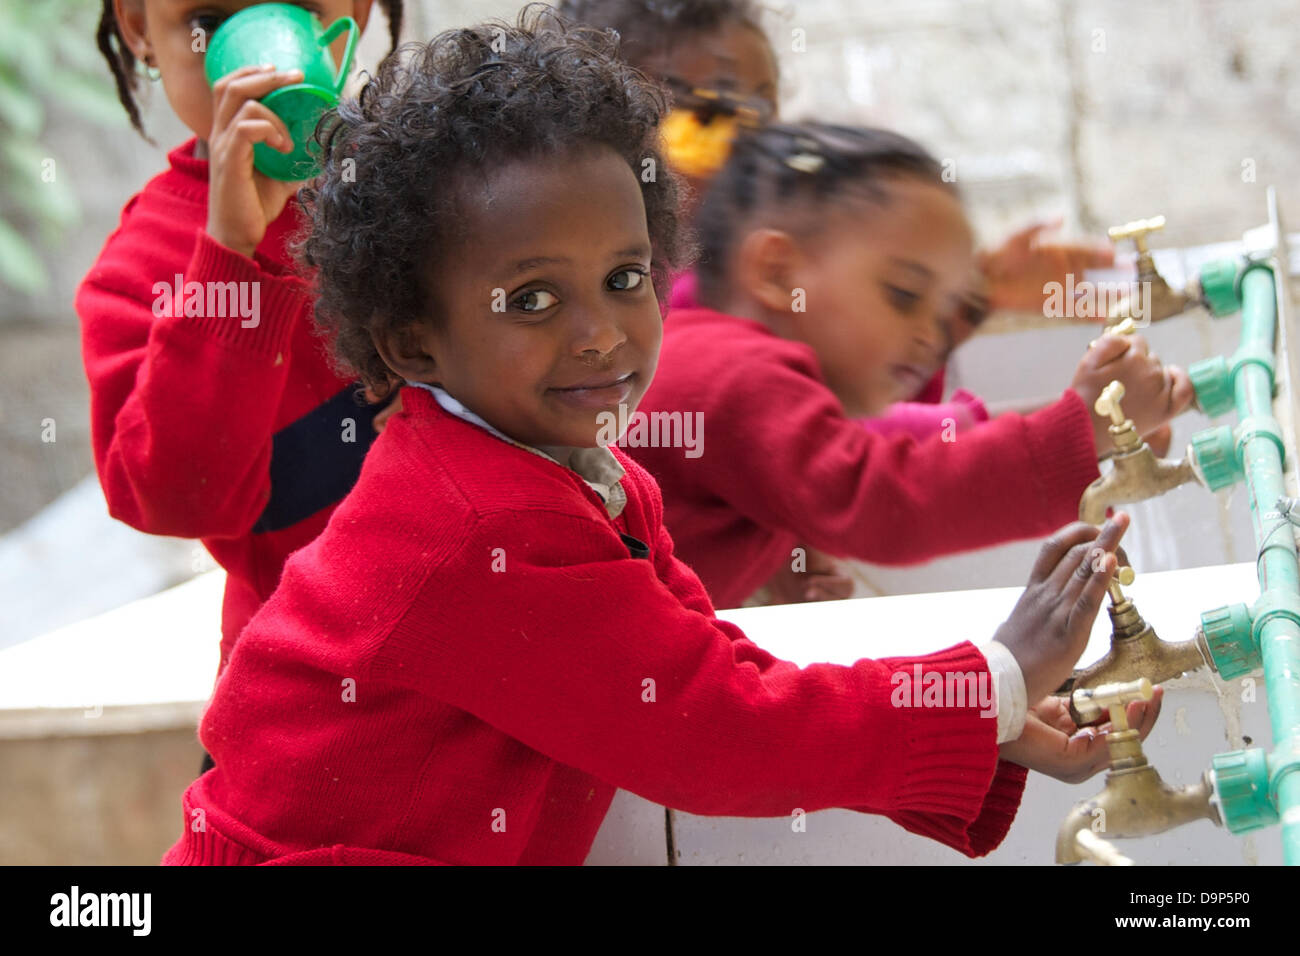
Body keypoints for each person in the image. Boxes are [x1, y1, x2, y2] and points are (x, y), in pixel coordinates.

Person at [163, 10, 1157, 865]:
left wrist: (990, 721)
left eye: (626, 277)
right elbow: (717, 733)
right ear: (412, 340)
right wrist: (992, 674)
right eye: (533, 297)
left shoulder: (575, 469)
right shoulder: (475, 525)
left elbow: (711, 667)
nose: (600, 330)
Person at [627, 121, 1195, 610]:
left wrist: (781, 537)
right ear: (777, 273)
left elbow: (875, 448)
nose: (930, 337)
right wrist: (1080, 431)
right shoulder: (734, 372)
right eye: (903, 295)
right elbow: (885, 499)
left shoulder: (718, 353)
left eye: (948, 308)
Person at [76, 1, 405, 705]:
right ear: (140, 31)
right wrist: (230, 256)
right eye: (210, 20)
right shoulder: (143, 268)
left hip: (499, 655)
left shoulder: (431, 188)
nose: (257, 64)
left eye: (293, 10)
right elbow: (170, 498)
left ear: (348, 17)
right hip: (306, 701)